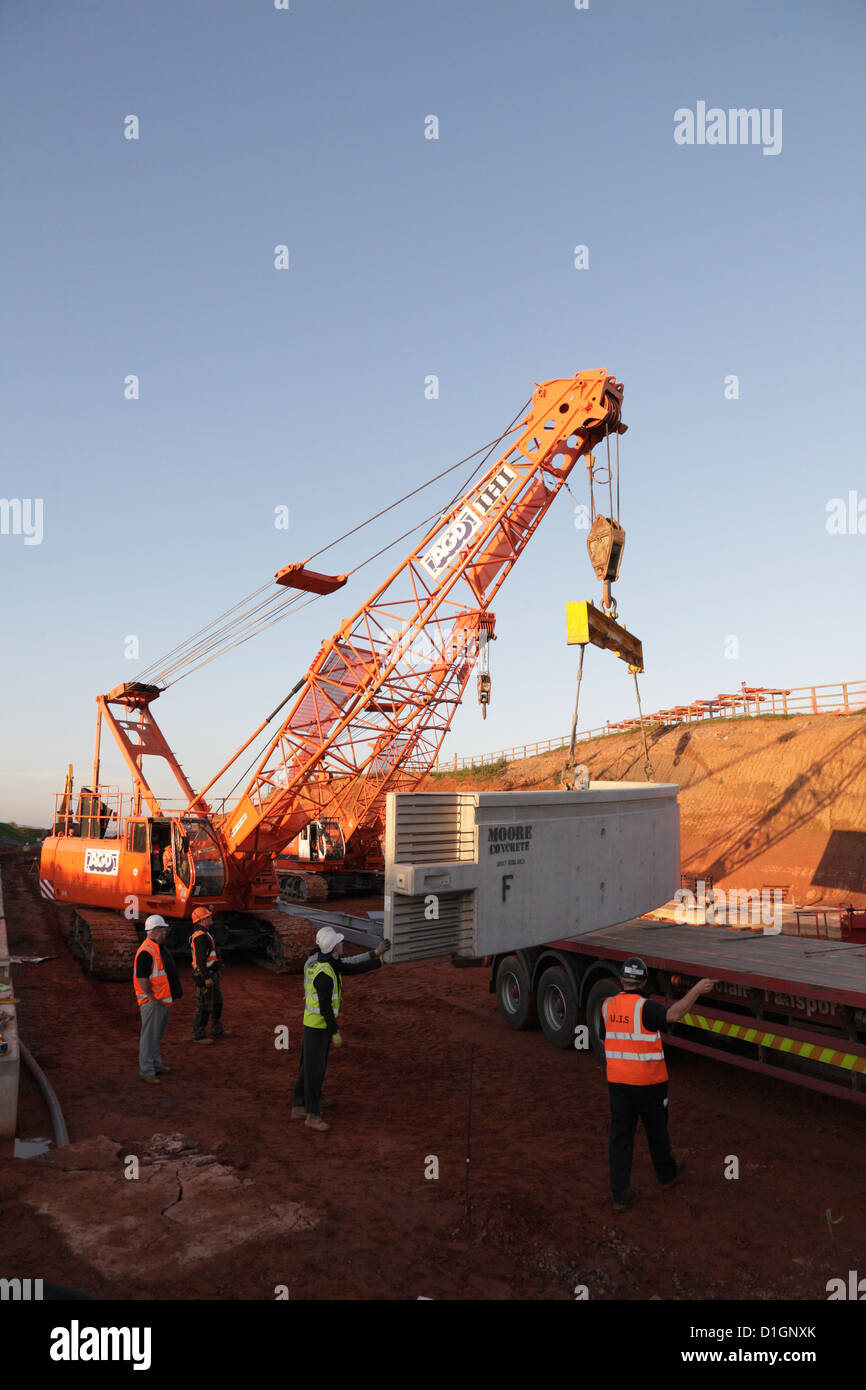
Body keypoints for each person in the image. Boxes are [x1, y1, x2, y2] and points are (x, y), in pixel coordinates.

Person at [604, 956, 715, 1211]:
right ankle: (666, 1175)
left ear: (622, 980)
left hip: (618, 1084)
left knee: (620, 1138)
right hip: (648, 1083)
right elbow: (674, 1014)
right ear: (643, 982)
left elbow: (607, 1035)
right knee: (656, 1132)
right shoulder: (645, 1008)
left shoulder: (607, 1005)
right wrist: (697, 989)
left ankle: (620, 1194)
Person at [292, 926, 387, 1132]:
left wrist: (376, 957)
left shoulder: (320, 960)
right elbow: (326, 1007)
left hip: (313, 1024)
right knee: (315, 1070)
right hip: (319, 1026)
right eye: (340, 942)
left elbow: (350, 966)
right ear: (334, 947)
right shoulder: (325, 973)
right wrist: (334, 1031)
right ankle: (312, 1115)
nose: (343, 944)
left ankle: (299, 1105)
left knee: (307, 1066)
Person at [134, 914, 183, 1083]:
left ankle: (155, 1064)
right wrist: (150, 997)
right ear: (155, 931)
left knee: (156, 1035)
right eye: (163, 929)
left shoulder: (156, 947)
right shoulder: (146, 951)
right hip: (152, 1002)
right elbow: (142, 978)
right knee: (149, 1037)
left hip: (161, 1000)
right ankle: (147, 1071)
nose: (165, 932)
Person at [189, 906, 227, 1043]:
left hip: (212, 973)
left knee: (218, 1002)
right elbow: (200, 961)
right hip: (205, 975)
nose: (211, 918)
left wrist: (218, 969)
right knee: (204, 1006)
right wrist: (206, 977)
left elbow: (212, 955)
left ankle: (216, 1028)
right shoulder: (200, 937)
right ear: (202, 921)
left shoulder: (205, 934)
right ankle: (199, 1035)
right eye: (208, 917)